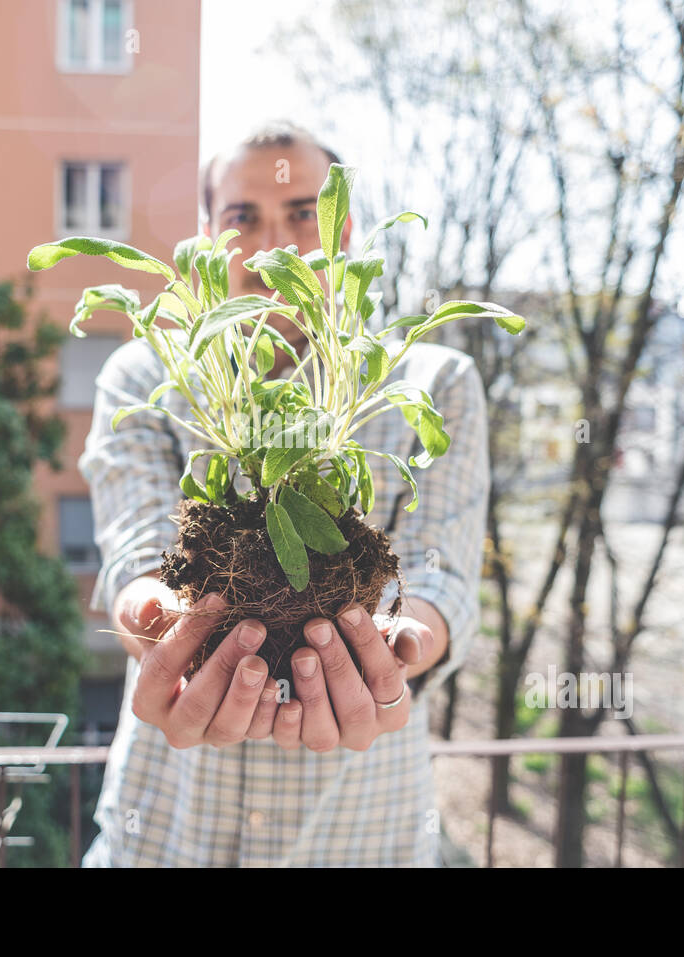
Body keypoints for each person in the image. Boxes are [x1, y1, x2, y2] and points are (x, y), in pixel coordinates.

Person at [77, 121, 488, 866]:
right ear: (207, 238)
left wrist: (407, 640)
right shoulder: (145, 377)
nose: (274, 249)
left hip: (366, 834)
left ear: (343, 235)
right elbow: (140, 556)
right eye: (243, 219)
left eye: (304, 213)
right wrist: (155, 617)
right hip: (166, 833)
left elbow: (440, 574)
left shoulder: (434, 383)